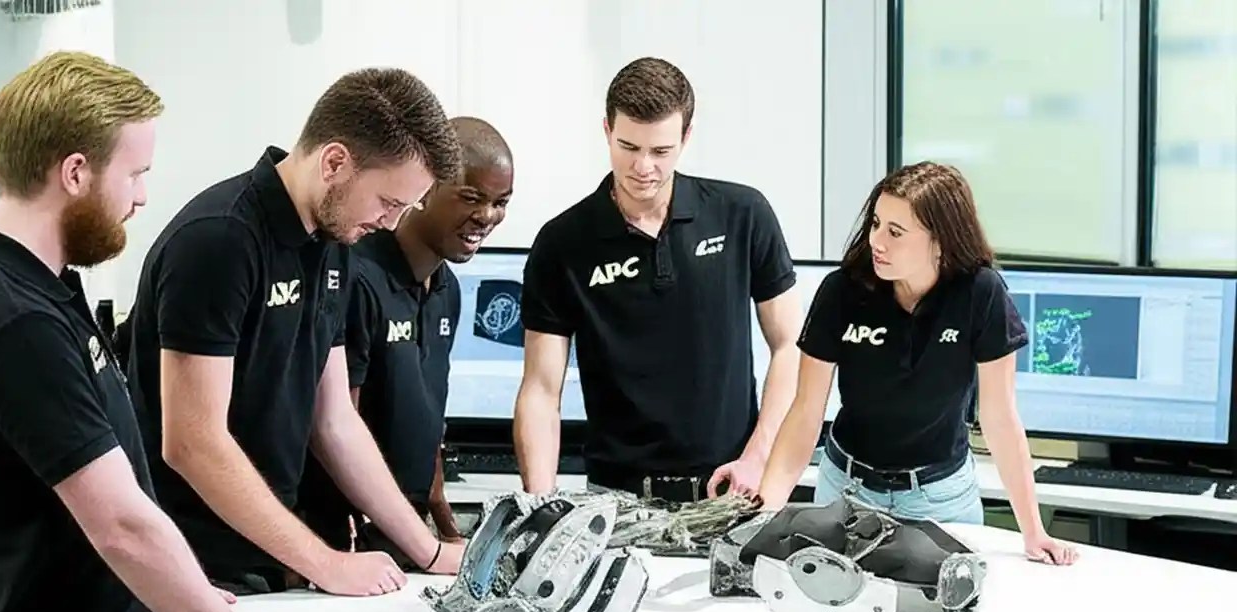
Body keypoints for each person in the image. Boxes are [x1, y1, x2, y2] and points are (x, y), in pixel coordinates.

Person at [0, 51, 379, 612]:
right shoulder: (14, 321)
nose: (143, 196)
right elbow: (121, 523)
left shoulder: (44, 291)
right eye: (135, 173)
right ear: (75, 173)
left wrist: (193, 595)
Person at [123, 67, 467, 604]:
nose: (393, 222)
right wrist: (325, 562)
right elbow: (192, 442)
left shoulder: (333, 245)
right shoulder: (220, 241)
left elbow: (332, 421)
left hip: (265, 561)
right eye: (389, 203)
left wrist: (429, 551)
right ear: (334, 162)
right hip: (188, 567)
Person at [756, 161, 1078, 565]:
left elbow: (999, 417)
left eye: (895, 232)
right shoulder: (843, 291)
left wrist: (1033, 531)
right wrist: (764, 517)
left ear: (940, 241)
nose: (877, 240)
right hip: (846, 489)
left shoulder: (981, 293)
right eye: (875, 223)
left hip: (940, 496)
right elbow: (805, 412)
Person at [514, 57, 805, 503]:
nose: (643, 167)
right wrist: (540, 503)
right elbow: (540, 388)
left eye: (660, 151)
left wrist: (760, 452)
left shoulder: (744, 214)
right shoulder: (562, 243)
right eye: (629, 147)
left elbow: (790, 346)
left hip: (729, 489)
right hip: (616, 500)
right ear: (607, 130)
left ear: (686, 137)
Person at [301, 116, 514, 558]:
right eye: (472, 197)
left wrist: (439, 510)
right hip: (352, 534)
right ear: (425, 189)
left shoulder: (447, 289)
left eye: (501, 202)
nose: (487, 215)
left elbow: (428, 411)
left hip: (407, 530)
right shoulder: (357, 277)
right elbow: (337, 420)